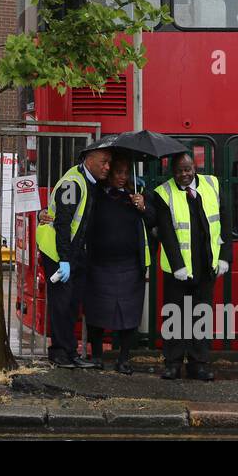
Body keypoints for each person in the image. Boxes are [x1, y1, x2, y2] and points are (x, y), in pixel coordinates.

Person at [149, 152, 228, 381]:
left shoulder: (212, 184)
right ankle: (172, 363)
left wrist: (224, 256)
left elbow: (224, 220)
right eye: (179, 171)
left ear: (195, 167)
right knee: (175, 316)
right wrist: (178, 266)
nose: (184, 174)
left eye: (188, 169)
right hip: (179, 269)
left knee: (200, 316)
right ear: (172, 172)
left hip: (206, 263)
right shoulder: (163, 193)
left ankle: (198, 364)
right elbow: (166, 232)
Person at [37, 139, 114, 369]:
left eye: (109, 163)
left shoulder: (90, 182)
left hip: (74, 253)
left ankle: (69, 352)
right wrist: (64, 260)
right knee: (62, 304)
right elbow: (62, 224)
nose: (107, 167)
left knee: (71, 305)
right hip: (59, 253)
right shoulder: (72, 183)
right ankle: (60, 353)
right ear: (88, 160)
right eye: (104, 162)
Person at [82, 154, 156, 374]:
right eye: (118, 172)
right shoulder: (96, 195)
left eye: (126, 173)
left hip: (130, 265)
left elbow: (154, 220)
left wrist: (143, 207)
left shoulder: (137, 197)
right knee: (96, 312)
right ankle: (96, 356)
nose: (122, 177)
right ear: (109, 173)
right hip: (99, 263)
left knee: (129, 314)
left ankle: (124, 359)